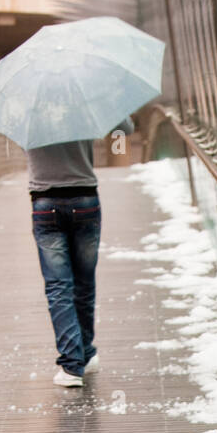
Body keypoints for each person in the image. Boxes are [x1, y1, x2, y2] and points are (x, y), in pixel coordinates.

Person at [27, 117, 133, 386]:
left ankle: (72, 365)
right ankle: (85, 354)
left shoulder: (27, 108)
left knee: (58, 286)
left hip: (46, 202)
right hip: (86, 200)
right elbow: (126, 129)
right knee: (84, 283)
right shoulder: (84, 102)